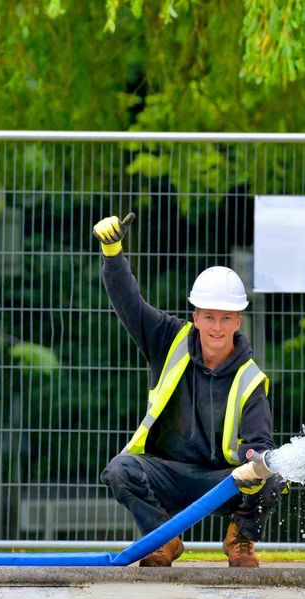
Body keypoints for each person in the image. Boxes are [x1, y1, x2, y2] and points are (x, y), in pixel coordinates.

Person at [93, 212, 284, 567]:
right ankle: (164, 537)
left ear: (238, 322)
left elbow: (260, 443)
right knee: (121, 470)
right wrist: (113, 254)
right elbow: (128, 302)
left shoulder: (250, 378)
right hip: (167, 472)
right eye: (209, 317)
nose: (216, 327)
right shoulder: (168, 339)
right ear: (195, 317)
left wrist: (254, 462)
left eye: (226, 318)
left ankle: (240, 538)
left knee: (273, 474)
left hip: (222, 484)